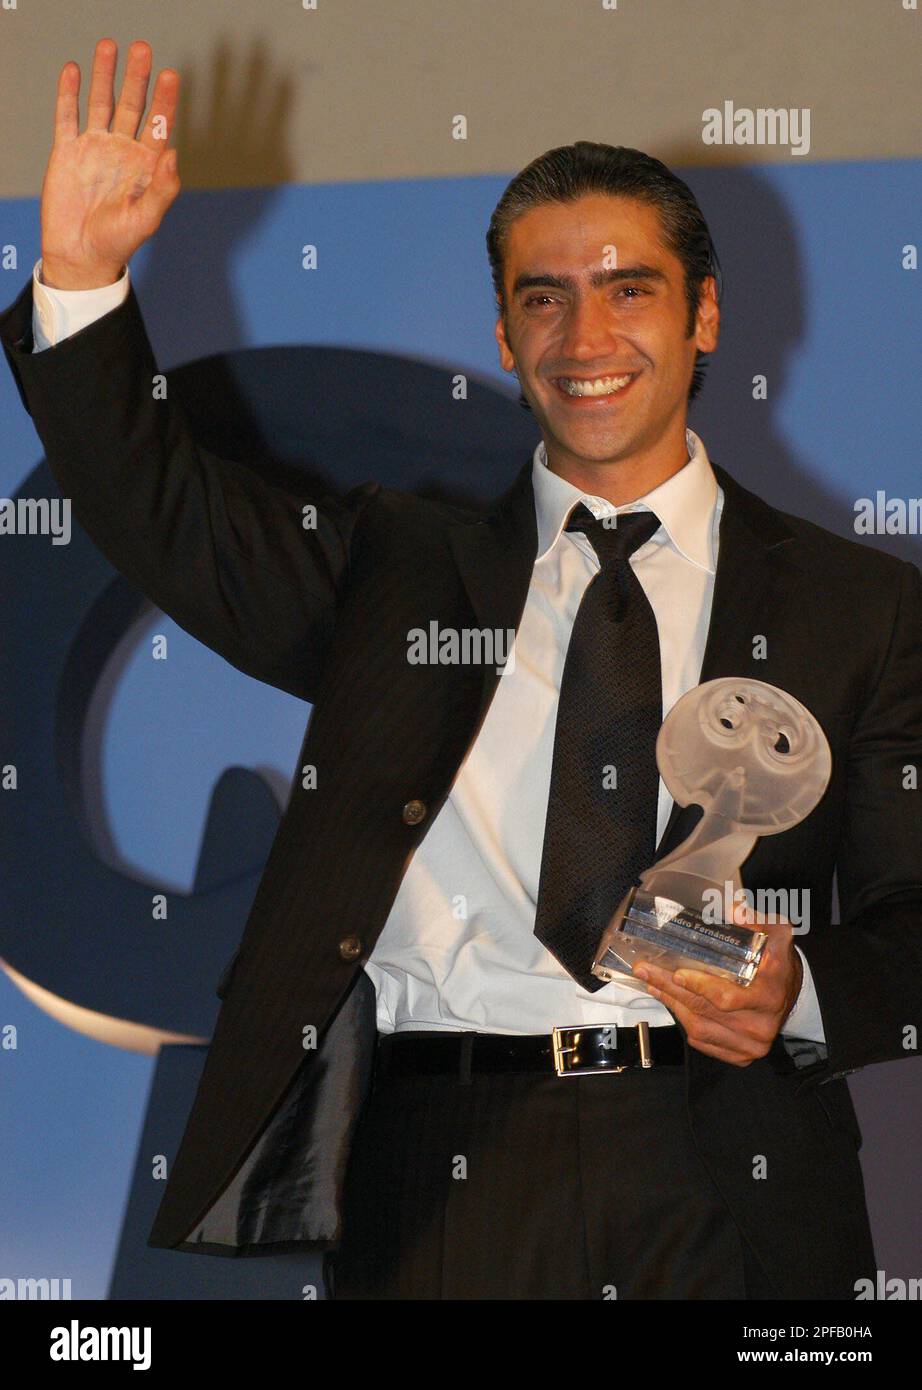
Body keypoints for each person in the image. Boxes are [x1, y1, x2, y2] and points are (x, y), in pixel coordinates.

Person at [2, 37, 920, 1301]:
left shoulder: (859, 605)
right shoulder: (397, 567)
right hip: (443, 1170)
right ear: (501, 332)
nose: (582, 333)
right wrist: (83, 276)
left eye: (627, 289)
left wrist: (800, 991)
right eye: (543, 296)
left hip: (733, 1166)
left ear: (704, 314)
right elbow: (168, 513)